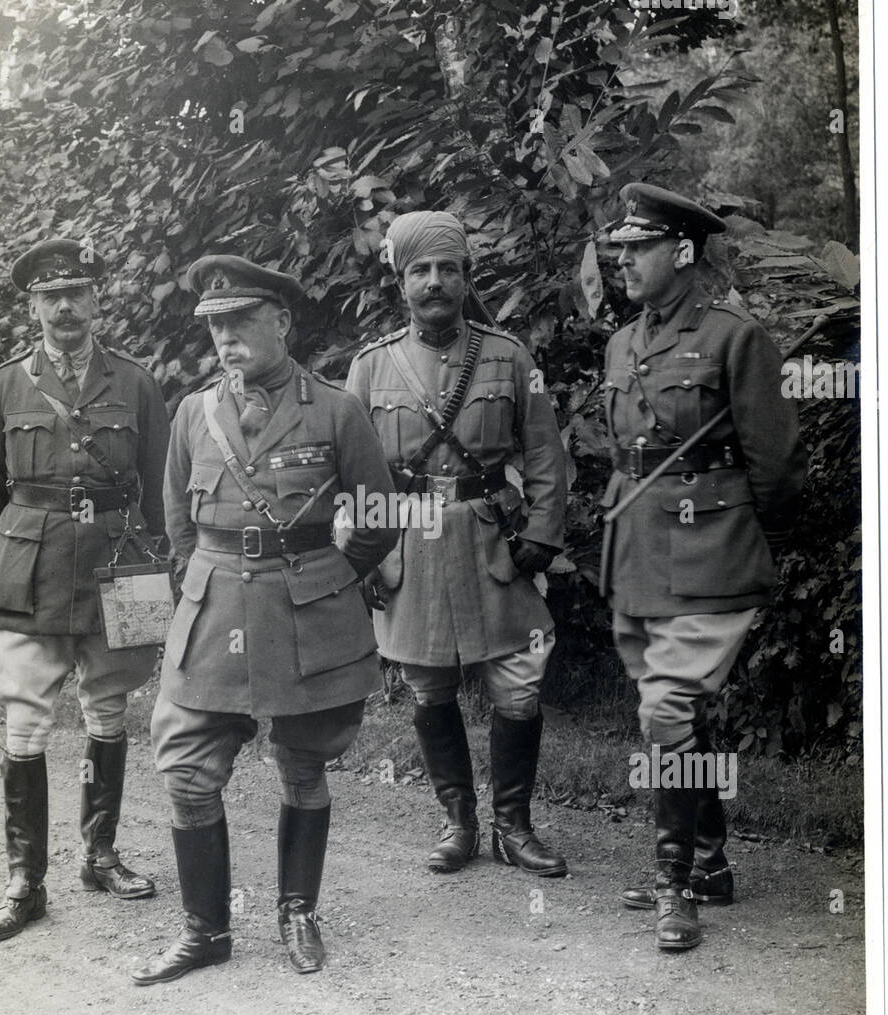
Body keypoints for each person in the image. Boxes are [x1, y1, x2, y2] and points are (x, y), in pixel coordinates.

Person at [132, 255, 398, 984]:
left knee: (303, 764)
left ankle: (296, 912)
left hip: (305, 607)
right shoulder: (193, 411)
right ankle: (205, 930)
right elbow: (177, 524)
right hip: (215, 607)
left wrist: (335, 579)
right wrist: (200, 583)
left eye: (240, 320)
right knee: (186, 768)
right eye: (214, 324)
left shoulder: (336, 408)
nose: (225, 336)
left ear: (280, 322)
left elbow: (378, 516)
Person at [598, 184, 807, 950]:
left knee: (663, 714)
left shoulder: (734, 338)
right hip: (639, 549)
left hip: (711, 548)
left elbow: (777, 464)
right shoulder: (622, 343)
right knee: (680, 715)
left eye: (637, 246)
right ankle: (712, 864)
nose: (621, 258)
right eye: (618, 247)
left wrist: (740, 539)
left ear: (681, 251)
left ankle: (674, 882)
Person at [345, 210, 569, 877]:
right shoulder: (369, 368)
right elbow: (354, 474)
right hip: (409, 549)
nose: (435, 282)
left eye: (448, 269)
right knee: (427, 689)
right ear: (401, 282)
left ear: (466, 277)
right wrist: (362, 555)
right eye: (420, 271)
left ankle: (514, 826)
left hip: (490, 545)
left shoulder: (506, 355)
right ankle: (457, 821)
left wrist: (541, 533)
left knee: (519, 686)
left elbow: (545, 455)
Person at [0, 237, 171, 943]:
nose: (64, 307)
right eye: (50, 296)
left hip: (119, 559)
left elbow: (161, 490)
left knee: (109, 711)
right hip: (30, 567)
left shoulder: (137, 382)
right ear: (33, 306)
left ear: (95, 300)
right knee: (25, 723)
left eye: (76, 293)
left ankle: (101, 854)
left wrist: (158, 568)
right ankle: (25, 882)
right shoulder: (4, 383)